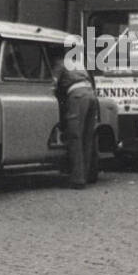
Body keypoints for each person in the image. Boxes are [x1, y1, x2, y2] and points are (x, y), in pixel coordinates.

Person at [52, 52, 99, 190]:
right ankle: (86, 175)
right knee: (87, 137)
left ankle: (78, 179)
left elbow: (53, 84)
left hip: (77, 96)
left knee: (74, 136)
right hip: (91, 95)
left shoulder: (59, 64)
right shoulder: (77, 63)